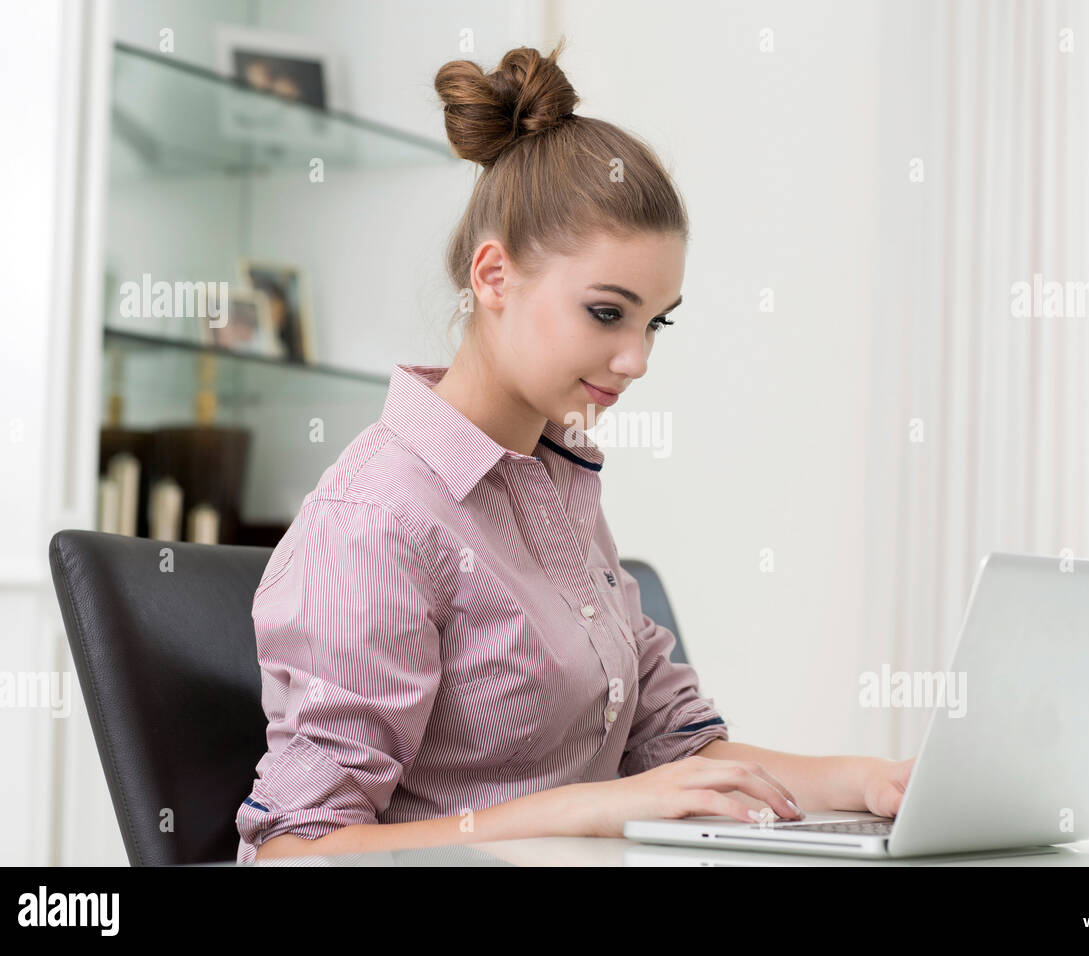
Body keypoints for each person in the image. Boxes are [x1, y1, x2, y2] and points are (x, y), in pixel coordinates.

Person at [237, 38, 914, 862]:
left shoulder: (558, 482)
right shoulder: (376, 518)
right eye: (607, 313)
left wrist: (871, 783)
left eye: (654, 322)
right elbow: (296, 849)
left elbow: (676, 753)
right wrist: (592, 809)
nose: (637, 360)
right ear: (494, 277)